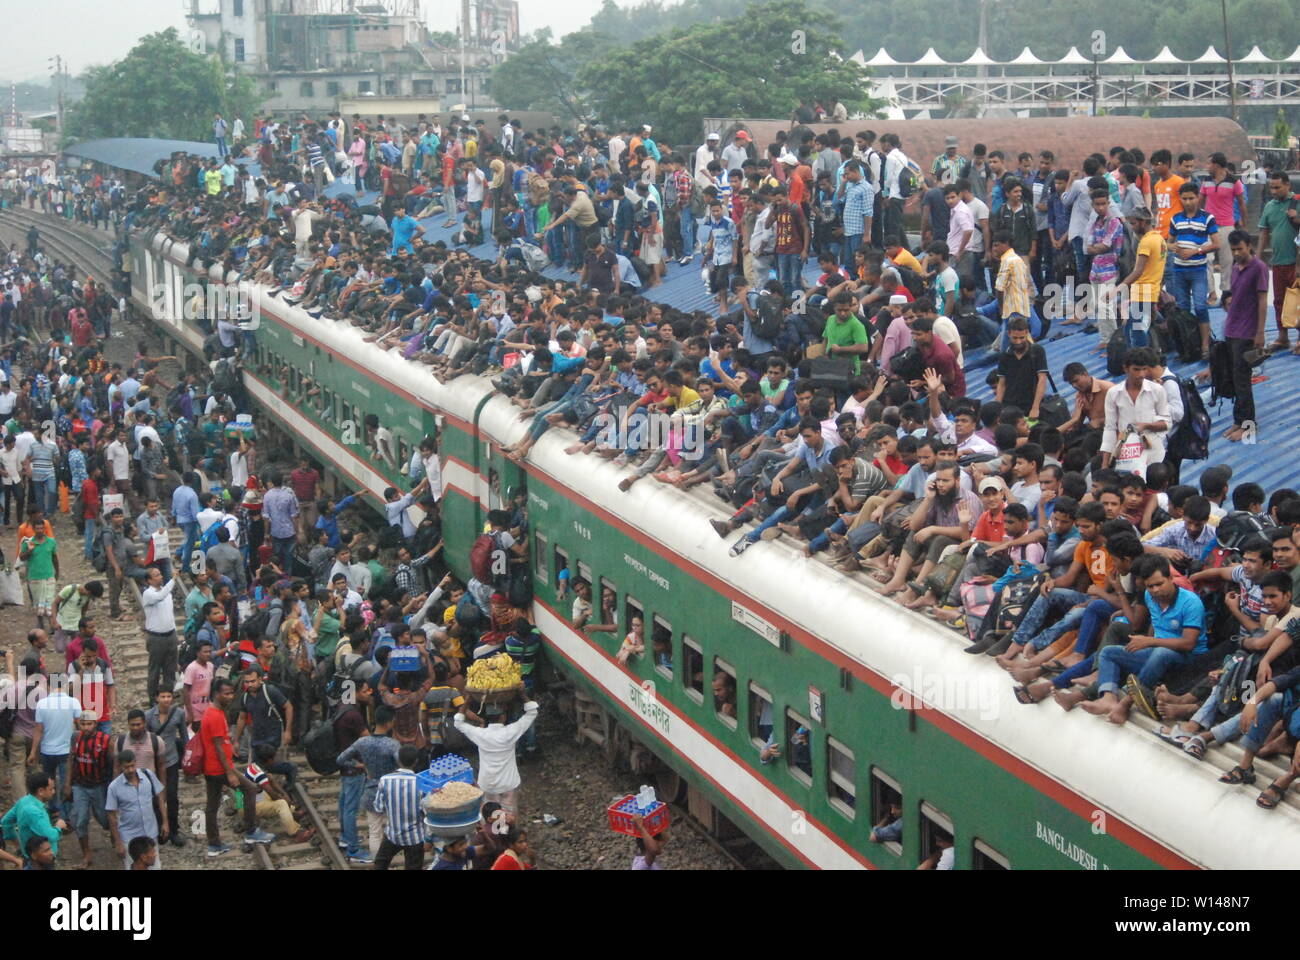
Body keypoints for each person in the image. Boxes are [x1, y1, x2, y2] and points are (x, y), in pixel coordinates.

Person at [201, 678, 277, 856]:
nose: (230, 696)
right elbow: (219, 747)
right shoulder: (215, 715)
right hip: (219, 768)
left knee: (212, 806)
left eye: (231, 693)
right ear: (217, 694)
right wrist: (231, 773)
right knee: (250, 789)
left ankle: (214, 845)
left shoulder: (214, 712)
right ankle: (251, 832)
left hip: (213, 767)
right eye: (226, 693)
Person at [1218, 231, 1269, 443]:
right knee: (1234, 378)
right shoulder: (1235, 267)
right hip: (1232, 328)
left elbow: (1262, 301)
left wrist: (1259, 332)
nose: (1237, 253)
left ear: (1249, 246)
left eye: (1240, 248)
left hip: (1246, 331)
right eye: (1233, 250)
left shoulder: (1259, 268)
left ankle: (1249, 425)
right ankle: (1239, 421)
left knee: (1243, 381)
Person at [452, 698, 538, 814]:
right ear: (503, 717)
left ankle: (493, 830)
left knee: (490, 817)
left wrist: (466, 700)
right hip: (509, 783)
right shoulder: (510, 732)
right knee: (508, 819)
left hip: (488, 785)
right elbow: (532, 712)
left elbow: (458, 722)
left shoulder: (480, 734)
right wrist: (523, 695)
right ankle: (506, 830)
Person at [106, 748, 167, 870]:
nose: (130, 770)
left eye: (132, 766)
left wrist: (165, 822)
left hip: (150, 833)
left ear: (136, 762)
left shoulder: (148, 775)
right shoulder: (114, 787)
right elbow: (111, 815)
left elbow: (160, 797)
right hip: (129, 837)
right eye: (126, 767)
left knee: (154, 866)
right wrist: (118, 842)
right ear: (120, 767)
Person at [66, 711, 113, 868]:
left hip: (99, 785)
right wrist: (67, 784)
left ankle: (116, 835)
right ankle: (86, 854)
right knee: (81, 821)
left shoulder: (106, 740)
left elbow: (112, 765)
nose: (86, 728)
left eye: (89, 724)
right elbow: (71, 761)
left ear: (95, 724)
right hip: (80, 785)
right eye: (83, 724)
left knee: (104, 819)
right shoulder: (75, 738)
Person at [372, 744, 428, 870]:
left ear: (398, 760)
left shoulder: (385, 780)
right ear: (416, 762)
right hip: (415, 837)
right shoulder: (422, 783)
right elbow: (427, 813)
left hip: (392, 834)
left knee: (380, 864)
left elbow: (378, 807)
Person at [1, 771, 66, 865]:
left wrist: (19, 845)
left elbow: (6, 822)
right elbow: (51, 836)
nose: (53, 792)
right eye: (51, 789)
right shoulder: (33, 812)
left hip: (31, 856)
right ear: (40, 791)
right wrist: (59, 827)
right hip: (41, 860)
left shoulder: (24, 801)